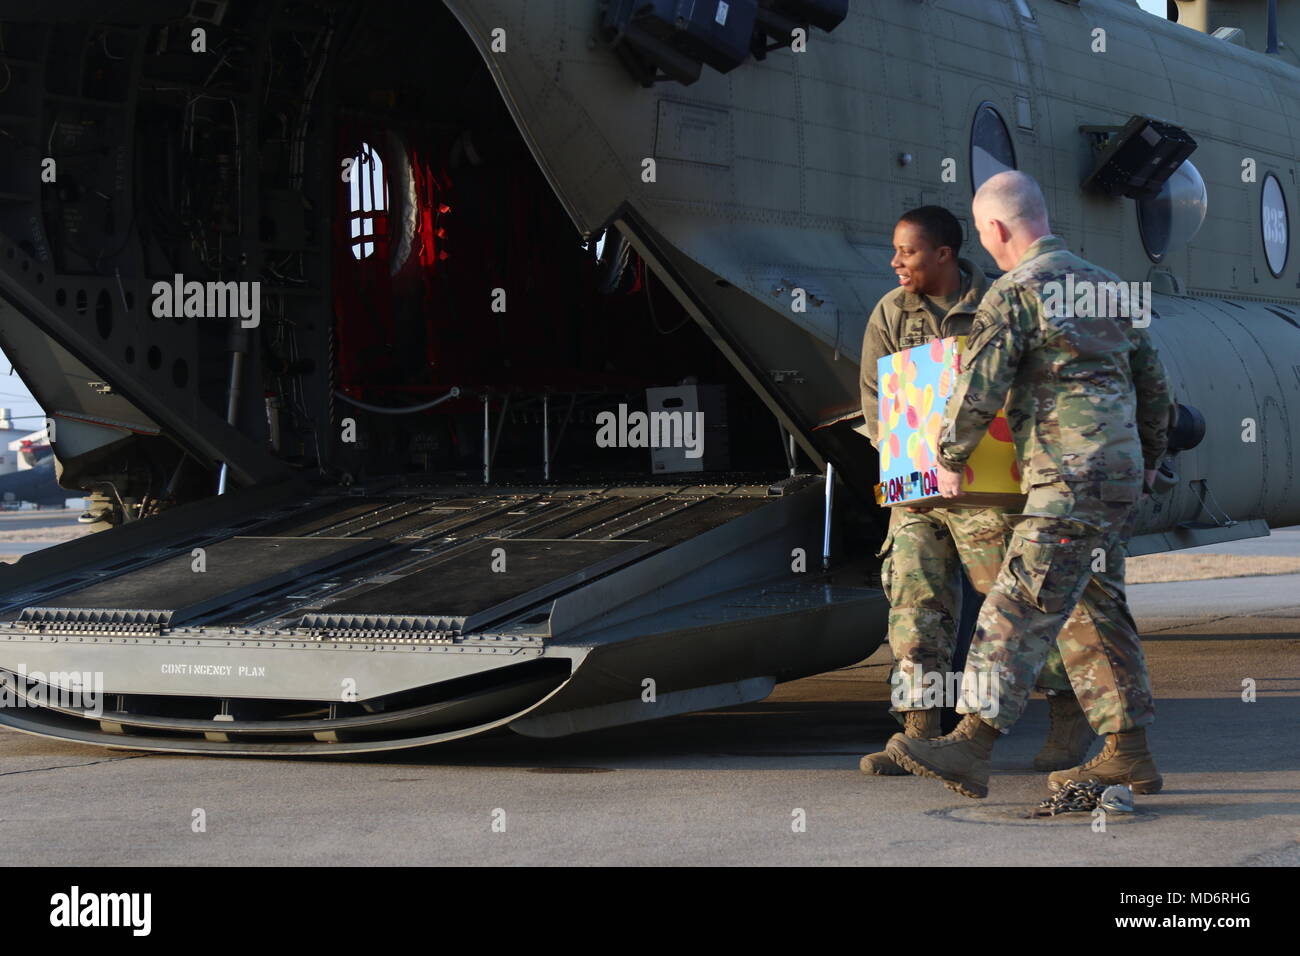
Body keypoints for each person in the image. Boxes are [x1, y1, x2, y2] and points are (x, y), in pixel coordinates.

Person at [886, 171, 1173, 799]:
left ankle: (971, 745)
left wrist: (949, 455)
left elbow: (980, 384)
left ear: (994, 228)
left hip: (1067, 477)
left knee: (1015, 603)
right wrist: (1150, 457)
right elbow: (1154, 382)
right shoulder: (1108, 287)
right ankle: (1131, 754)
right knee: (1099, 609)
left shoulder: (1015, 291)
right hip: (1117, 479)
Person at [857, 205, 1090, 777]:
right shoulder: (891, 312)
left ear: (944, 254)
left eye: (907, 252)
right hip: (918, 490)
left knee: (1011, 607)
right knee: (915, 606)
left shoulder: (998, 302)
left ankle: (1067, 713)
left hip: (986, 489)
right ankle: (918, 732)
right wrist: (906, 461)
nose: (896, 262)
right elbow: (875, 397)